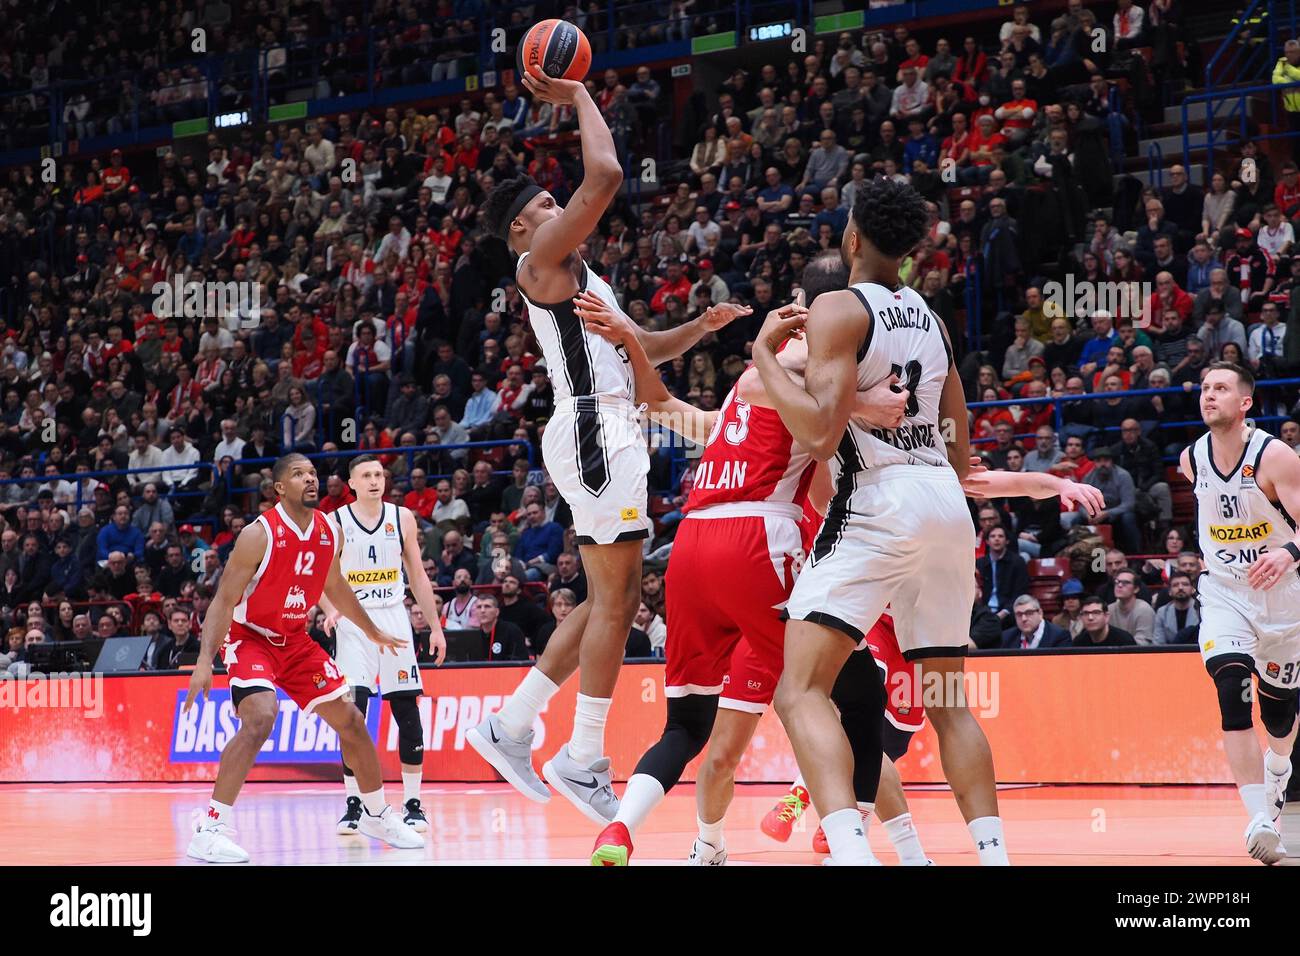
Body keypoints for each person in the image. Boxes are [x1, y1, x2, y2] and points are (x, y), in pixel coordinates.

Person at [469, 68, 748, 825]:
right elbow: (608, 173)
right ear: (524, 231)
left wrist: (699, 328)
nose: (562, 208)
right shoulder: (539, 264)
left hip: (610, 420)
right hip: (598, 427)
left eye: (558, 204)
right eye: (547, 206)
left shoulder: (580, 275)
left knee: (606, 602)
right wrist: (580, 95)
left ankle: (511, 725)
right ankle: (581, 753)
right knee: (617, 601)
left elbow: (637, 352)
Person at [751, 178, 1006, 866]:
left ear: (853, 237)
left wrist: (762, 358)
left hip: (877, 500)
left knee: (800, 690)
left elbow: (816, 434)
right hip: (945, 505)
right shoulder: (933, 316)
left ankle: (851, 852)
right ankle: (995, 857)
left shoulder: (837, 305)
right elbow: (961, 438)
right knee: (948, 699)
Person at [182, 454, 424, 863]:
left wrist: (371, 629)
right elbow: (223, 600)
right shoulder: (258, 535)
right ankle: (210, 825)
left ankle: (376, 813)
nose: (310, 479)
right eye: (298, 475)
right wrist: (205, 660)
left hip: (294, 641)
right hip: (250, 637)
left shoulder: (330, 530)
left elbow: (335, 585)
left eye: (312, 473)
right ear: (279, 488)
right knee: (260, 717)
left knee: (351, 720)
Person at [1181, 361, 1300, 864]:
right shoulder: (1191, 458)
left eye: (1222, 388)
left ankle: (1278, 770)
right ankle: (1257, 816)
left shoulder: (1275, 456)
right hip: (1226, 594)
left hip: (1285, 598)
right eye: (1206, 388)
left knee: (1279, 716)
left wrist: (1288, 553)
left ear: (1245, 402)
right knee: (1230, 689)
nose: (1210, 396)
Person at [317, 455, 447, 836]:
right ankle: (354, 804)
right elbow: (320, 576)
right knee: (351, 714)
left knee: (407, 710)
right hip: (355, 623)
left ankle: (412, 804)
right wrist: (330, 610)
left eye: (379, 474)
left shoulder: (402, 517)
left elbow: (418, 576)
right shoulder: (336, 521)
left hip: (393, 618)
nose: (375, 481)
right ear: (351, 483)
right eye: (366, 476)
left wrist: (436, 627)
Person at [1001, 594, 1072, 648]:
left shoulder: (1059, 636)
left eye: (1029, 613)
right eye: (1019, 614)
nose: (1024, 619)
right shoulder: (1007, 637)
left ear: (1040, 613)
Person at [1154, 571, 1200, 644]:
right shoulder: (1162, 612)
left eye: (1185, 584)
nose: (1180, 588)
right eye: (1175, 585)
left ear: (1192, 589)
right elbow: (1158, 643)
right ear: (1169, 591)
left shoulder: (1201, 610)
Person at [1073, 596, 1137, 647]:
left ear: (1106, 616)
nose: (1090, 617)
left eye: (1096, 612)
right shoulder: (1079, 642)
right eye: (1086, 613)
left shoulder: (1124, 641)